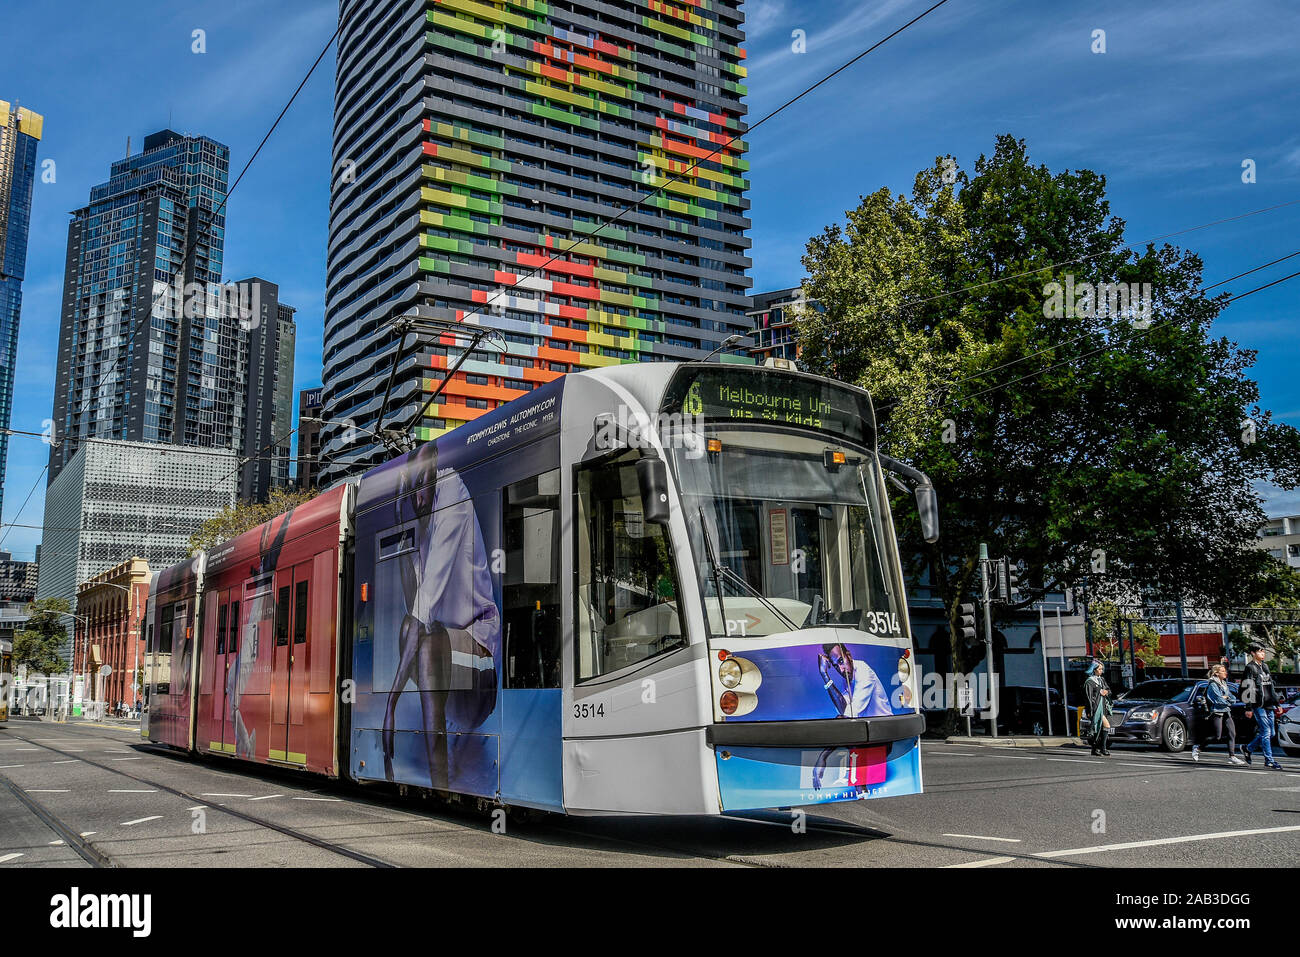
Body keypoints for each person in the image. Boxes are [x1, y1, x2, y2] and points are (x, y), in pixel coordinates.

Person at [381, 441, 501, 789]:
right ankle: (441, 767)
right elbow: (413, 605)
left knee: (423, 641)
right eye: (413, 489)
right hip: (449, 659)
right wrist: (403, 523)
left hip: (480, 660)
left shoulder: (451, 493)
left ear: (433, 471)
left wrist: (391, 704)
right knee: (410, 632)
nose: (418, 497)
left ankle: (442, 788)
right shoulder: (425, 511)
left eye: (421, 485)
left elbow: (426, 604)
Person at [817, 643, 891, 718]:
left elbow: (851, 713)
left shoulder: (863, 671)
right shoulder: (847, 675)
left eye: (841, 661)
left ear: (849, 656)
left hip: (885, 725)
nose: (841, 669)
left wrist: (824, 674)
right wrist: (824, 674)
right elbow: (843, 708)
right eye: (836, 666)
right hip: (868, 725)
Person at [1240, 641, 1284, 770]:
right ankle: (1269, 760)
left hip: (1269, 704)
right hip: (1258, 705)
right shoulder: (1250, 667)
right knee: (1266, 732)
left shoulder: (1265, 667)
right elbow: (1247, 686)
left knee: (1271, 733)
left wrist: (1277, 703)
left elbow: (1271, 686)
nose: (1263, 653)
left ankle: (1248, 748)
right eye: (1260, 651)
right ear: (1253, 653)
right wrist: (1248, 707)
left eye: (1263, 651)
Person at [1192, 664, 1244, 764]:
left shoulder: (1224, 683)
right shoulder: (1212, 685)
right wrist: (1227, 700)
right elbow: (1218, 699)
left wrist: (1228, 699)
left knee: (1232, 733)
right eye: (1223, 671)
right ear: (1216, 673)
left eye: (1225, 671)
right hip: (1217, 711)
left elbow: (1232, 697)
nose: (1226, 672)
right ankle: (1198, 748)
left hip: (1226, 711)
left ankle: (1232, 756)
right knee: (1217, 736)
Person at [1084, 660, 1113, 755]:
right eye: (1099, 669)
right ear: (1094, 669)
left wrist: (1106, 692)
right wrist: (1089, 711)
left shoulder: (1101, 680)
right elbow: (1088, 698)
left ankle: (1096, 749)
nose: (1101, 671)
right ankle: (1103, 748)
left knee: (1100, 729)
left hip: (1103, 707)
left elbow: (1109, 690)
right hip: (1095, 708)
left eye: (1102, 669)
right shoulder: (1089, 682)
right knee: (1106, 726)